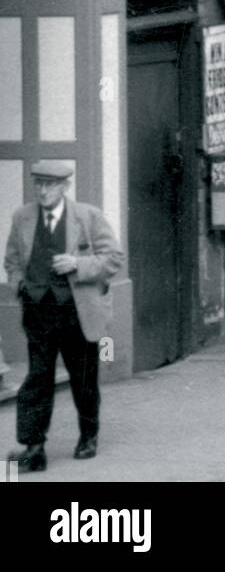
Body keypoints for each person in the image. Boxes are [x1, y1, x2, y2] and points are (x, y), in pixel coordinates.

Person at [4, 161, 124, 473]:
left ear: (65, 187)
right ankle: (34, 447)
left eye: (51, 185)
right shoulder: (23, 217)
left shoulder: (88, 216)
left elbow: (113, 259)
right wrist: (20, 286)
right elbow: (12, 259)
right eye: (39, 184)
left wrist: (77, 264)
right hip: (39, 311)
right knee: (38, 378)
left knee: (83, 379)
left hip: (77, 311)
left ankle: (88, 436)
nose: (43, 191)